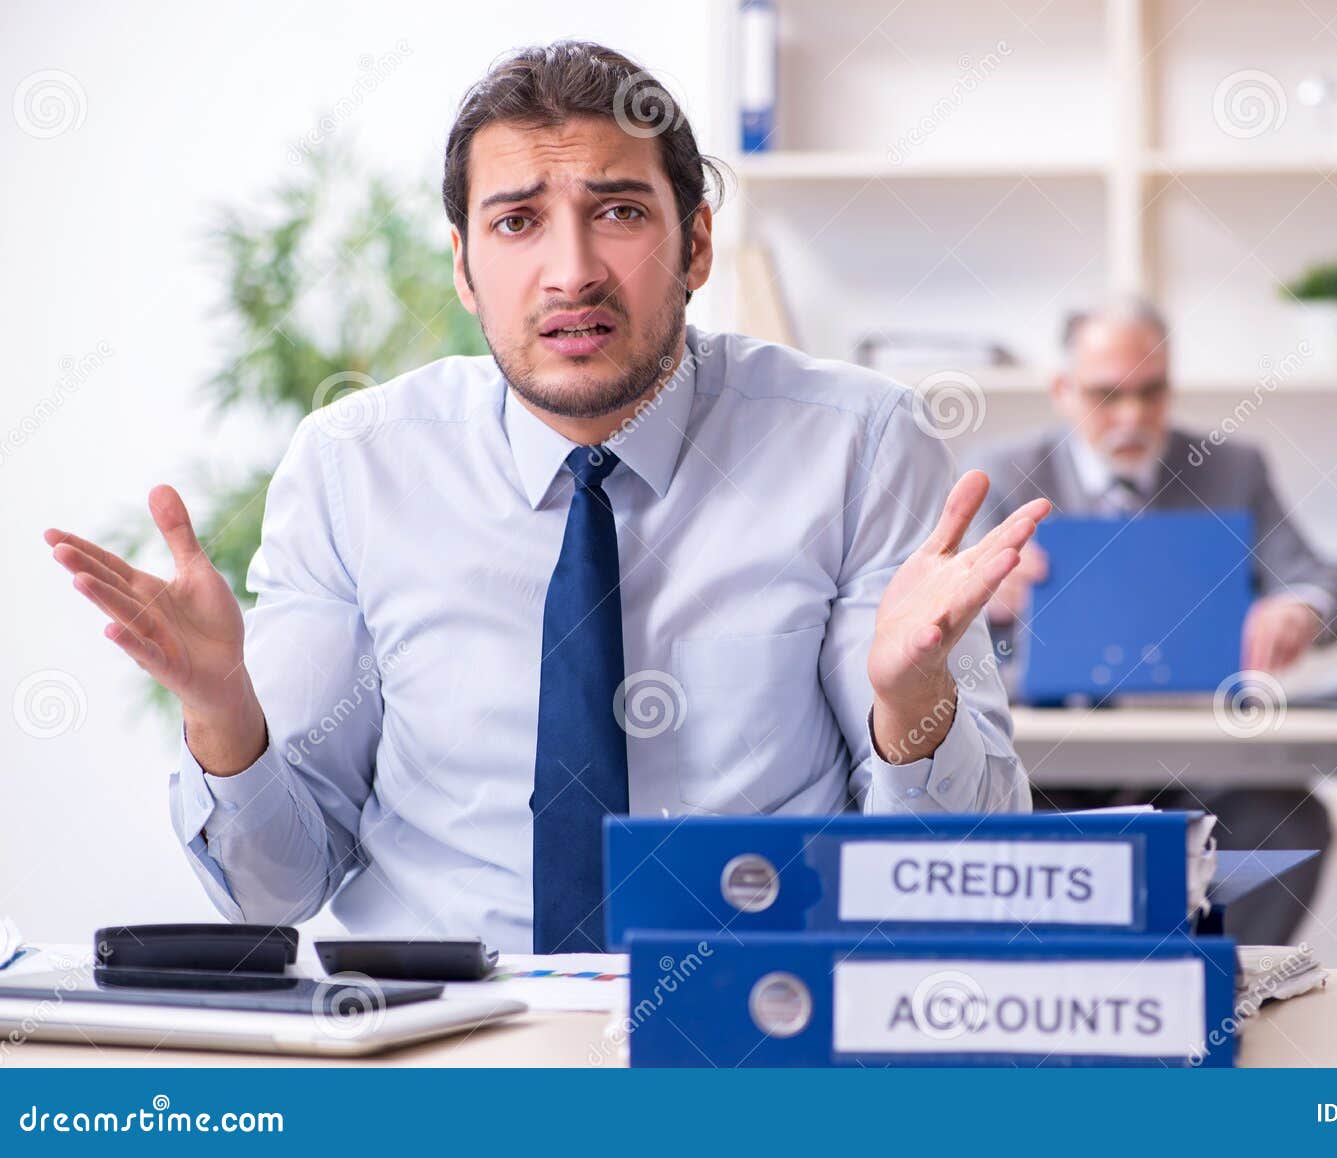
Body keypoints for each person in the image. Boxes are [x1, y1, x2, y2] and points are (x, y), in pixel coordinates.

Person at [44, 42, 1047, 954]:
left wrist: (913, 707)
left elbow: (958, 874)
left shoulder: (859, 444)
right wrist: (222, 711)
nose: (571, 273)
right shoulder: (355, 467)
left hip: (754, 1025)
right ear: (465, 267)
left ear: (695, 244)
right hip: (441, 1046)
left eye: (618, 213)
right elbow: (278, 890)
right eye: (517, 222)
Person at [969, 297, 1337, 944]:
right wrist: (987, 599)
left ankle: (1213, 990)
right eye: (1106, 395)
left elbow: (1325, 588)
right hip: (1051, 766)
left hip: (1194, 762)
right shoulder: (1005, 475)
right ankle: (1071, 1001)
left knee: (1289, 821)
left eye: (1152, 392)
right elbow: (936, 626)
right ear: (1062, 390)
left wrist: (1300, 608)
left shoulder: (1234, 468)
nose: (1132, 416)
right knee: (990, 821)